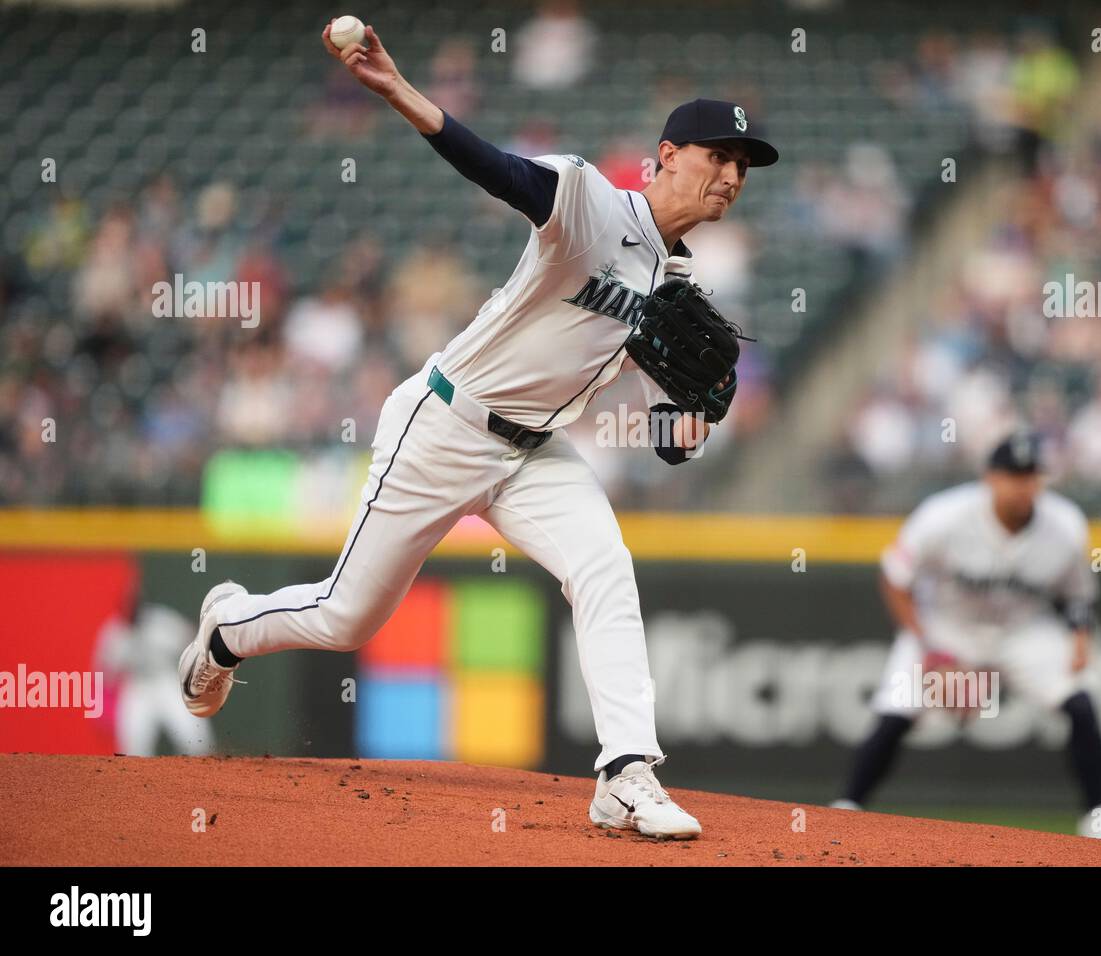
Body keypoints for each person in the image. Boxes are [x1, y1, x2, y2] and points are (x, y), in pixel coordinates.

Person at [178, 19, 779, 840]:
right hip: (445, 427)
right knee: (347, 619)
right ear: (667, 155)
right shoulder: (591, 200)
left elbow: (672, 444)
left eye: (743, 165)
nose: (733, 175)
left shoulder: (672, 284)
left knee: (604, 565)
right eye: (719, 156)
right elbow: (497, 170)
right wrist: (399, 91)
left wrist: (700, 415)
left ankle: (624, 773)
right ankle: (227, 631)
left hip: (535, 453)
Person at [831, 430, 1101, 843]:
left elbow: (1076, 594)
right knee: (896, 710)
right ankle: (847, 807)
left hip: (1021, 631)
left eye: (1030, 475)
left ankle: (1100, 821)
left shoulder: (1065, 525)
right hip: (945, 626)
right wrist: (929, 648)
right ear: (990, 478)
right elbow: (895, 578)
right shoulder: (944, 516)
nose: (1022, 484)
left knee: (1084, 700)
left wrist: (1080, 636)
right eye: (1012, 474)